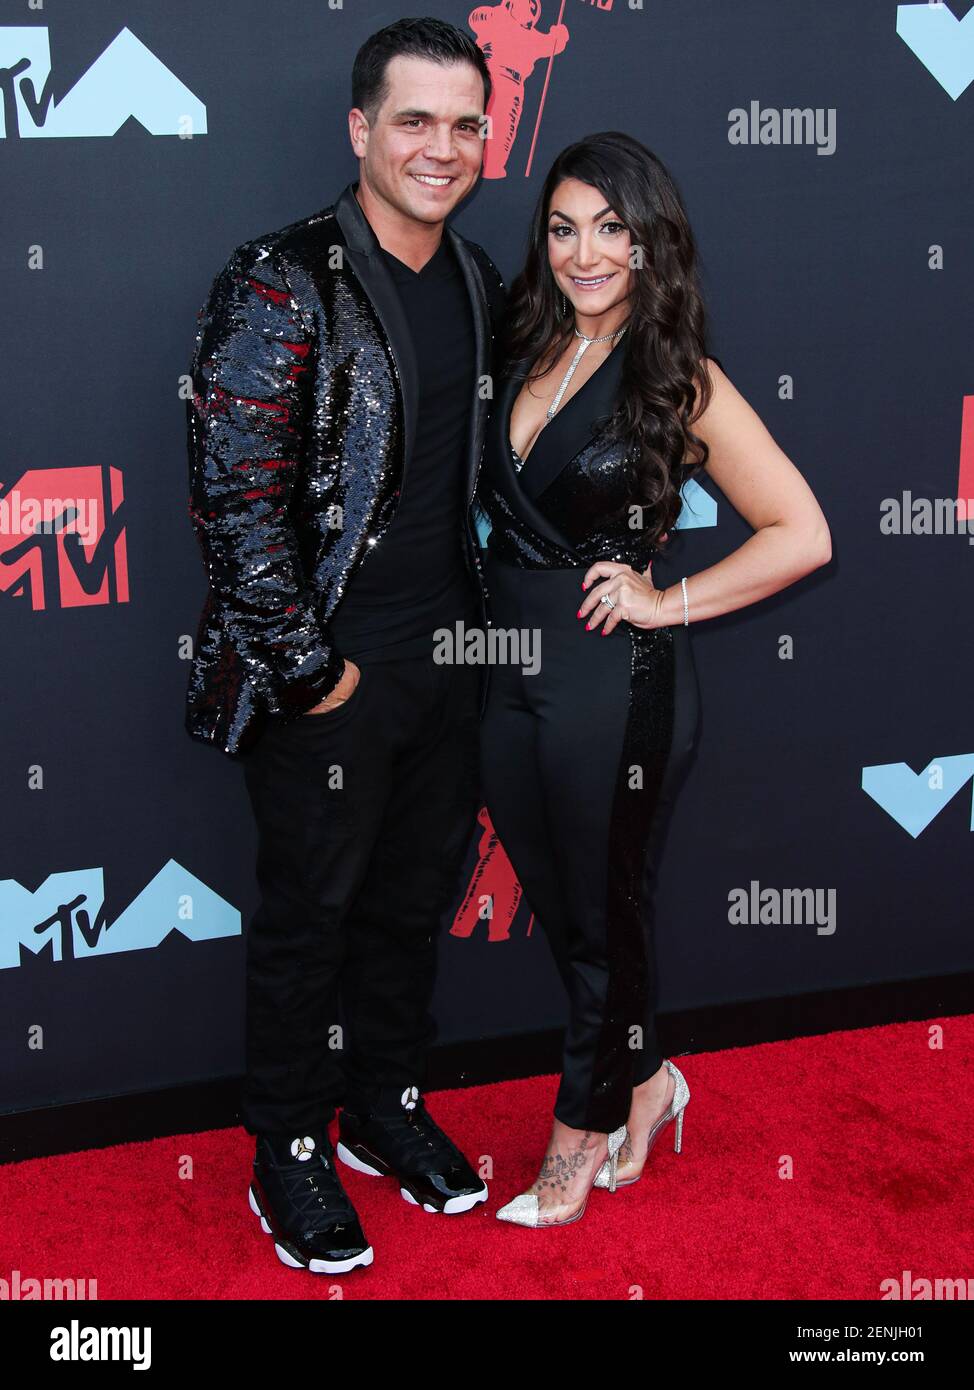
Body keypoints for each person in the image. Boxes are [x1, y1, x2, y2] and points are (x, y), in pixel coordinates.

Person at [185, 18, 507, 1273]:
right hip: (331, 678)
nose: (440, 147)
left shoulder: (478, 279)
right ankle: (286, 1149)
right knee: (308, 920)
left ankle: (381, 1107)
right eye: (413, 121)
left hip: (446, 667)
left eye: (463, 124)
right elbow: (233, 498)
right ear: (361, 130)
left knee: (409, 906)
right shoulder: (282, 279)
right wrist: (311, 670)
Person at [478, 131, 832, 1228]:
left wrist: (663, 598)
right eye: (563, 227)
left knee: (601, 916)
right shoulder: (522, 339)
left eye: (611, 228)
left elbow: (801, 531)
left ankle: (575, 1137)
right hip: (503, 672)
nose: (585, 251)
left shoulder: (677, 376)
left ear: (649, 240)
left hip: (613, 684)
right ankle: (648, 1082)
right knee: (571, 911)